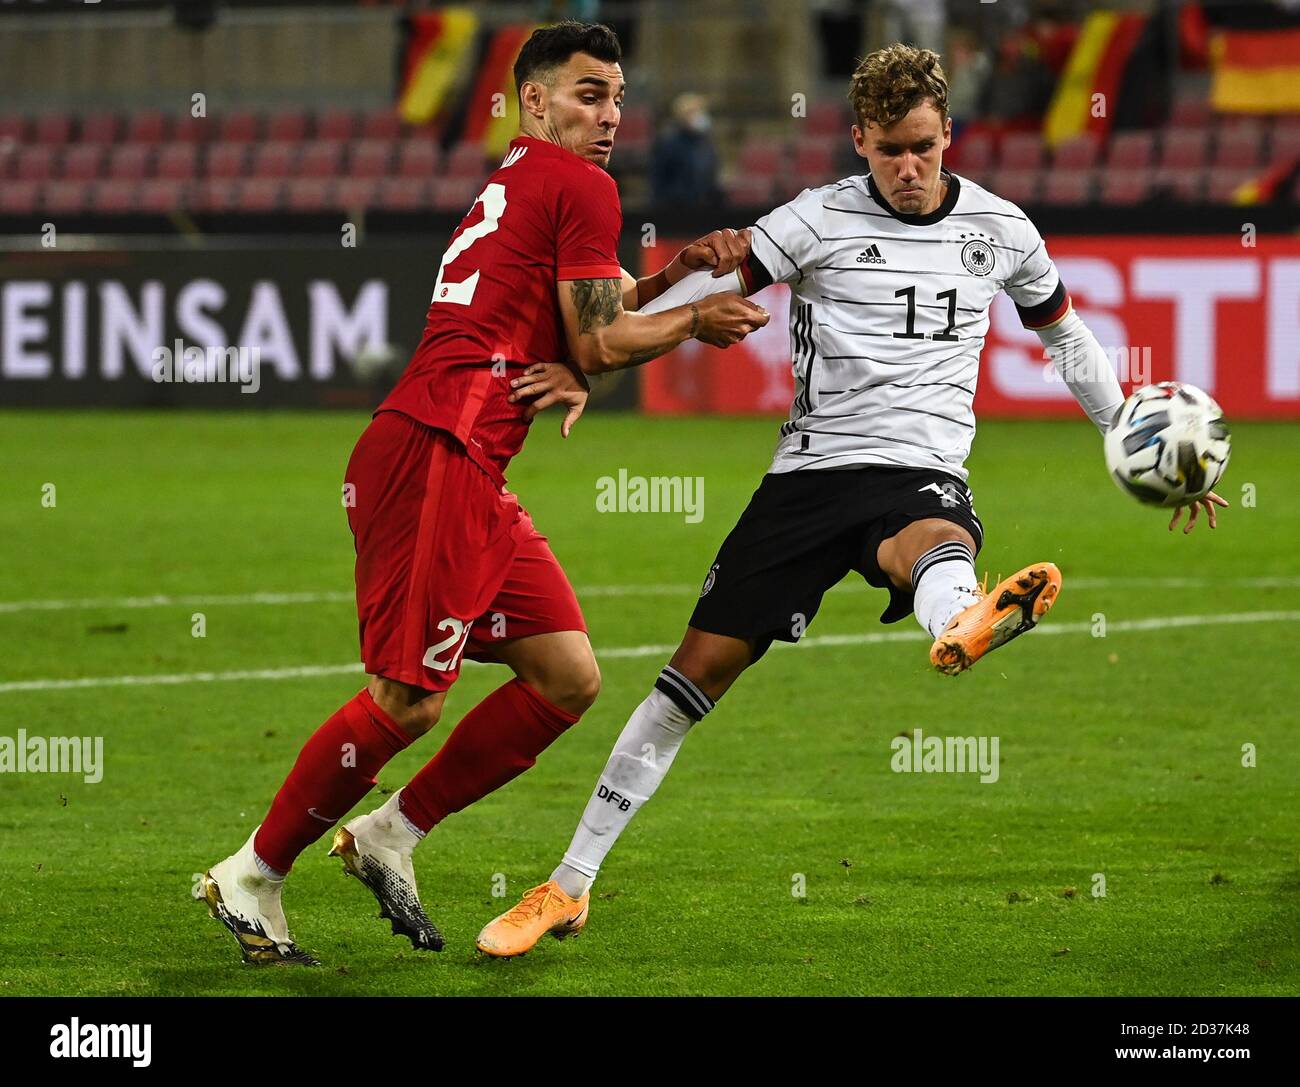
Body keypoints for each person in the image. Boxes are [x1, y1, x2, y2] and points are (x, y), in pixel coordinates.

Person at [476, 42, 1227, 958]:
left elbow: (1065, 339)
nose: (909, 169)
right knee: (688, 680)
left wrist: (1124, 433)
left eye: (924, 146)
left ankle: (965, 618)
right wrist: (596, 355)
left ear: (949, 131)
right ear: (860, 140)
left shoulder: (1003, 230)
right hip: (806, 475)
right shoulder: (815, 219)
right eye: (888, 151)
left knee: (932, 534)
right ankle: (568, 884)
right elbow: (707, 289)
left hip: (918, 464)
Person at [197, 20, 768, 966]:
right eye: (590, 94)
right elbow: (594, 343)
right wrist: (694, 316)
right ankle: (254, 870)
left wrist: (672, 276)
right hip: (438, 453)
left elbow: (593, 309)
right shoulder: (578, 182)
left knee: (566, 676)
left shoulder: (518, 182)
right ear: (534, 100)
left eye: (619, 97)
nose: (611, 115)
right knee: (408, 699)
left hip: (468, 463)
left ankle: (391, 832)